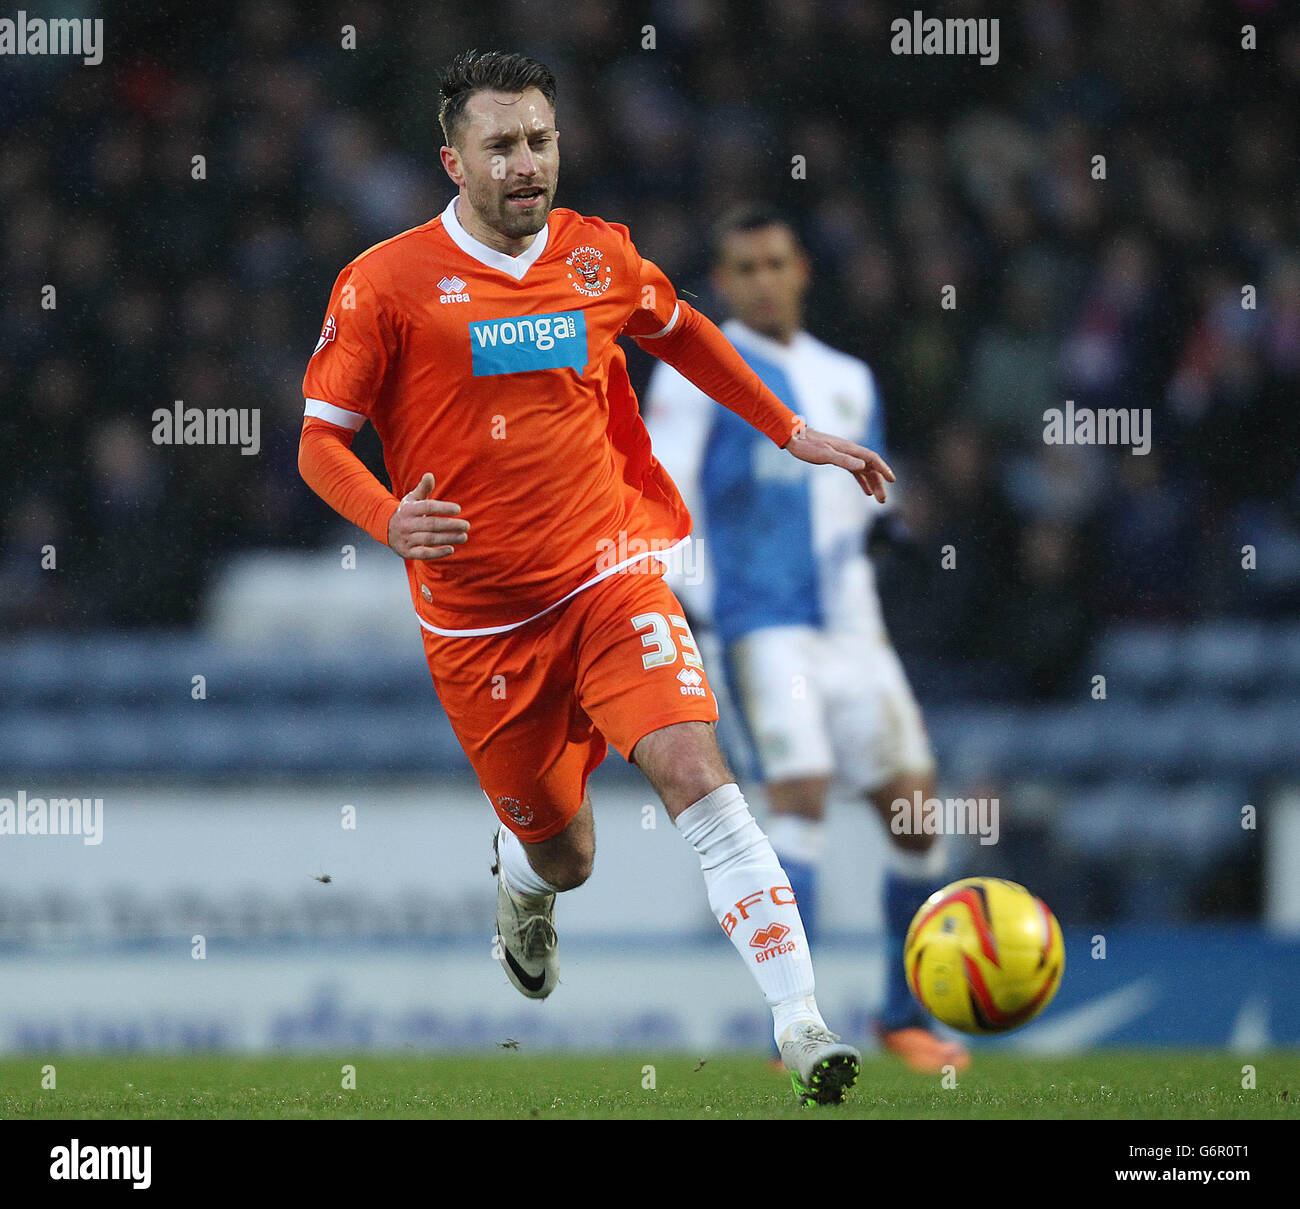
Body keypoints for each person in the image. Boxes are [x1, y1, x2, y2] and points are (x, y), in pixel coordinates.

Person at [296, 51, 894, 1105]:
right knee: (568, 853)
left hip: (610, 578)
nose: (527, 164)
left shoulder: (597, 258)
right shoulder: (384, 282)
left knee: (698, 778)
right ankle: (525, 884)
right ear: (454, 160)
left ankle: (800, 1024)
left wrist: (792, 430)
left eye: (540, 142)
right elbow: (319, 443)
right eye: (502, 147)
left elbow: (687, 333)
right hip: (481, 630)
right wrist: (391, 517)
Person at [643, 207, 970, 1074]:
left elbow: (868, 497)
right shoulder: (693, 376)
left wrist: (891, 526)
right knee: (803, 795)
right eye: (743, 267)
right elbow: (664, 493)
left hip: (856, 627)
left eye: (775, 262)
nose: (762, 279)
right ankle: (803, 1029)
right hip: (760, 629)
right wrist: (696, 603)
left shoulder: (849, 378)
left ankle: (903, 1015)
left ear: (802, 271)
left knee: (916, 817)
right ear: (724, 282)